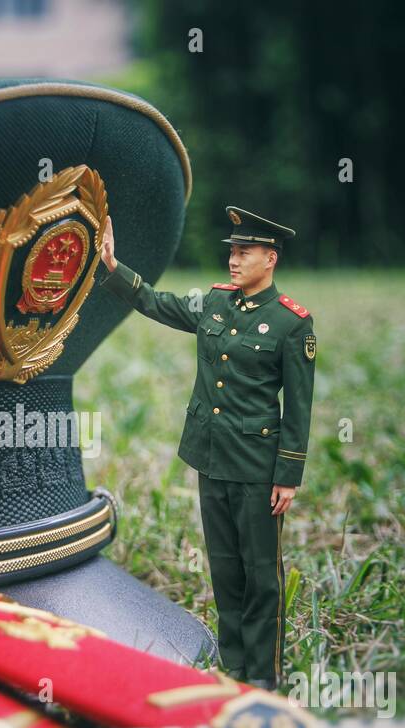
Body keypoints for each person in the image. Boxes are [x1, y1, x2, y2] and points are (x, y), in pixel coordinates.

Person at [97, 206, 317, 689]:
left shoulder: (291, 324)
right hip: (210, 456)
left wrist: (289, 474)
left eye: (245, 253)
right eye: (233, 253)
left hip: (257, 465)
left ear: (271, 259)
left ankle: (263, 675)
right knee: (224, 566)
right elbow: (157, 303)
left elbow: (298, 407)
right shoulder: (216, 304)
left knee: (261, 574)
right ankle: (233, 664)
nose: (234, 261)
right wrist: (112, 266)